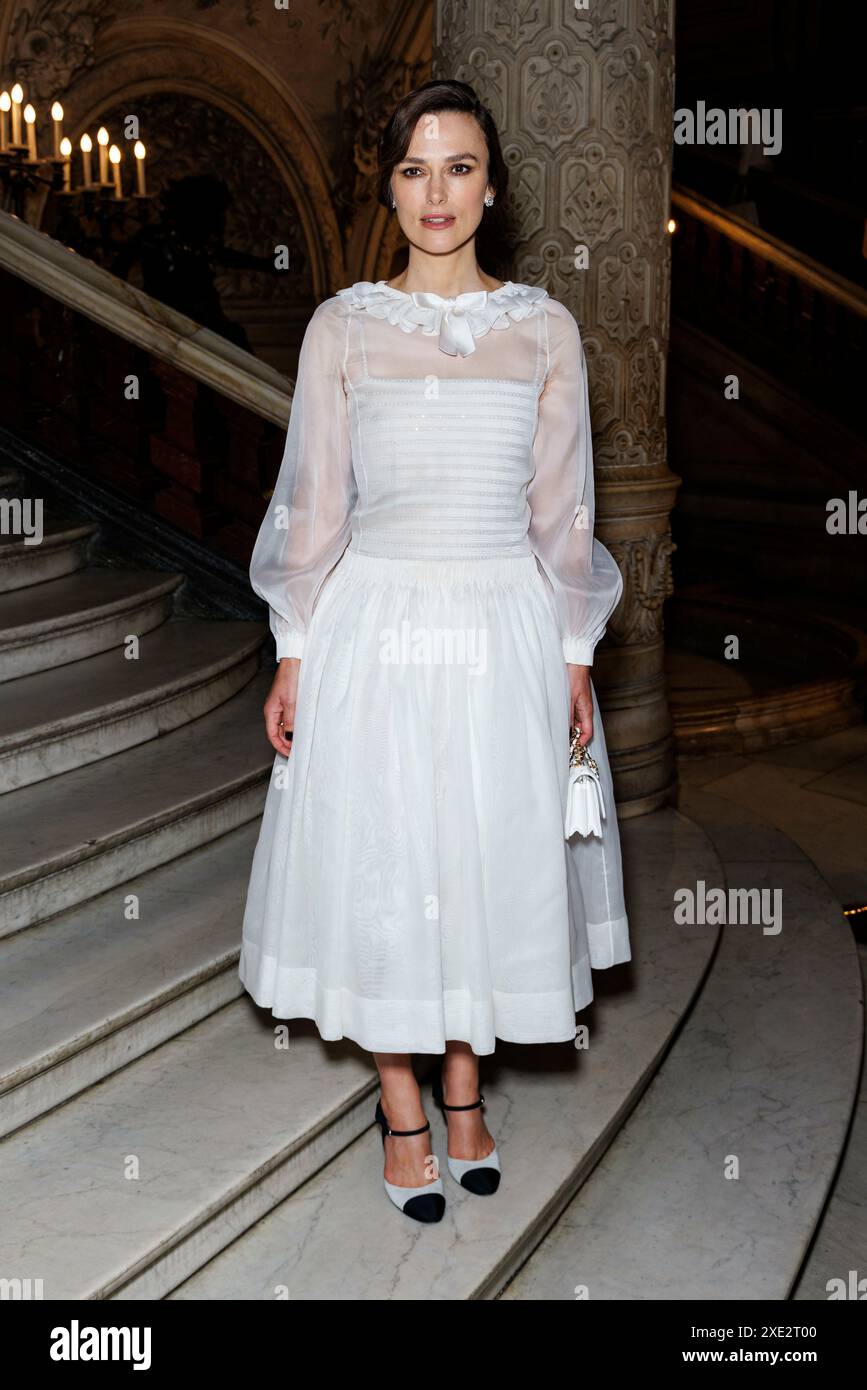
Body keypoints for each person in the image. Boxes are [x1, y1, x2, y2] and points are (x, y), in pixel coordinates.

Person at [239, 78, 630, 1225]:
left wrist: (573, 650)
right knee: (389, 861)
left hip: (506, 623)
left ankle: (467, 1089)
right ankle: (402, 1101)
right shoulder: (344, 325)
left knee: (488, 852)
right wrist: (294, 645)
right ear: (391, 189)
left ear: (492, 183)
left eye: (458, 166)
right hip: (377, 627)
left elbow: (564, 511)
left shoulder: (545, 328)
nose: (436, 192)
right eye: (414, 169)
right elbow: (312, 502)